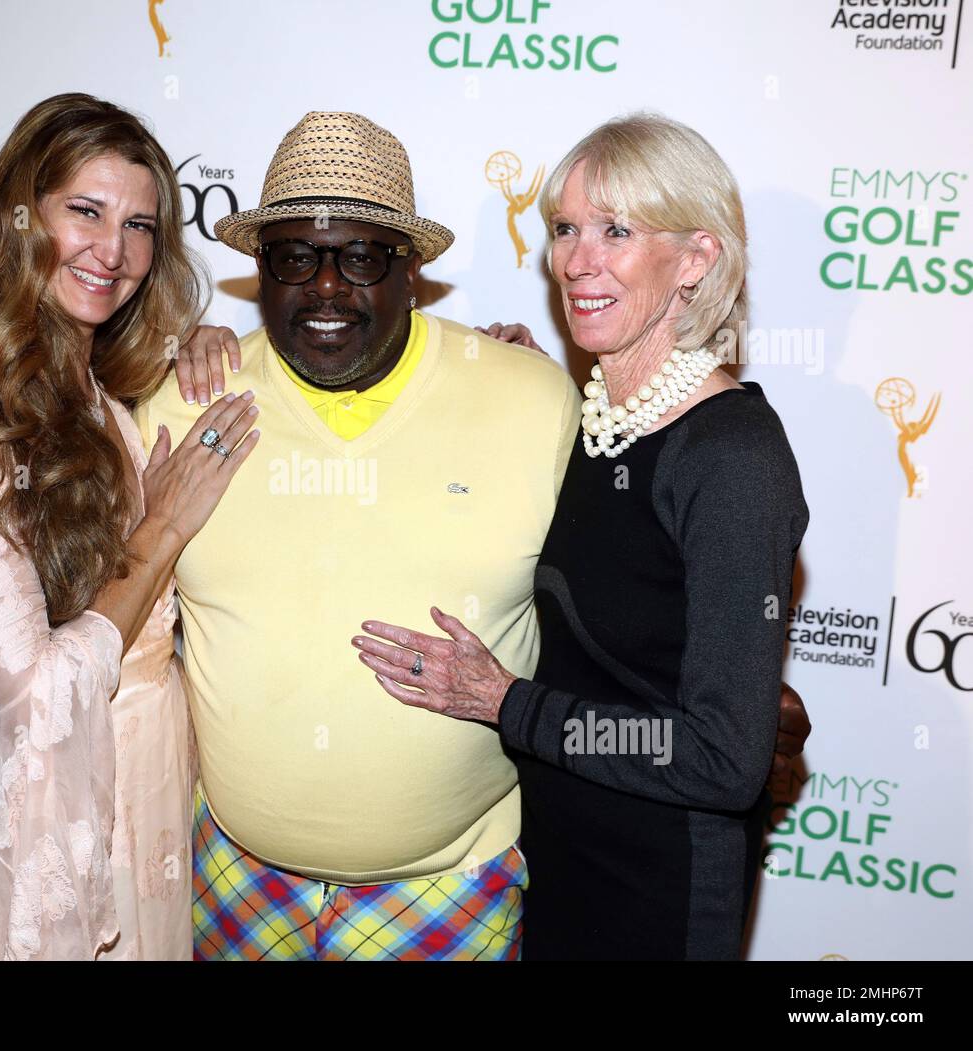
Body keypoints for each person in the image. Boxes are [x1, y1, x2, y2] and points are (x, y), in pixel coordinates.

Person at [0, 110, 813, 961]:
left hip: (460, 896)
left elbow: (683, 634)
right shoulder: (174, 397)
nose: (326, 286)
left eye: (361, 256)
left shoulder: (539, 402)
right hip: (231, 886)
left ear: (412, 271)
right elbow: (32, 549)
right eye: (294, 257)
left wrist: (745, 710)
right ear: (258, 270)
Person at [352, 114, 810, 960]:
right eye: (564, 228)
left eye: (617, 231)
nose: (577, 259)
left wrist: (504, 702)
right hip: (556, 867)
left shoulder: (735, 458)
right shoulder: (592, 417)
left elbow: (720, 756)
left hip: (659, 894)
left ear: (697, 260)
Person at [0, 93, 258, 961]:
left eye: (139, 226)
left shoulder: (103, 398)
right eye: (84, 212)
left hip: (146, 792)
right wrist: (160, 530)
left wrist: (202, 339)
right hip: (43, 818)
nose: (116, 251)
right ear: (20, 219)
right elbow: (39, 693)